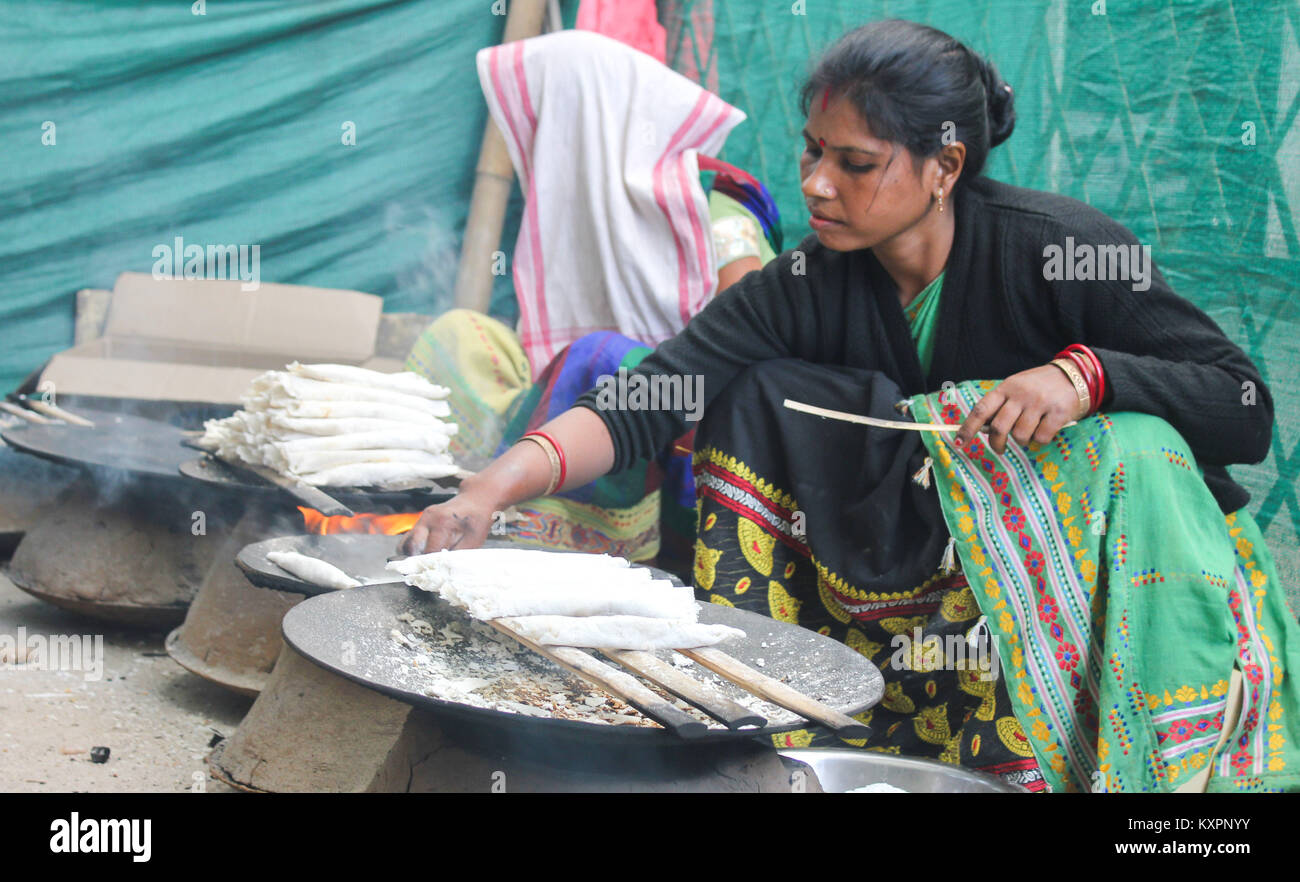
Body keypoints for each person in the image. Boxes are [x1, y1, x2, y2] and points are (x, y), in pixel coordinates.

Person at [403, 20, 1300, 793]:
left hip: (1103, 592)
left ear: (945, 164)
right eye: (812, 151)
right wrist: (488, 490)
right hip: (928, 594)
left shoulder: (1059, 250)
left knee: (1133, 442)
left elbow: (1243, 406)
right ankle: (808, 725)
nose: (817, 184)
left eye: (855, 162)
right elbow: (650, 398)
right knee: (760, 394)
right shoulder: (806, 284)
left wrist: (1084, 377)